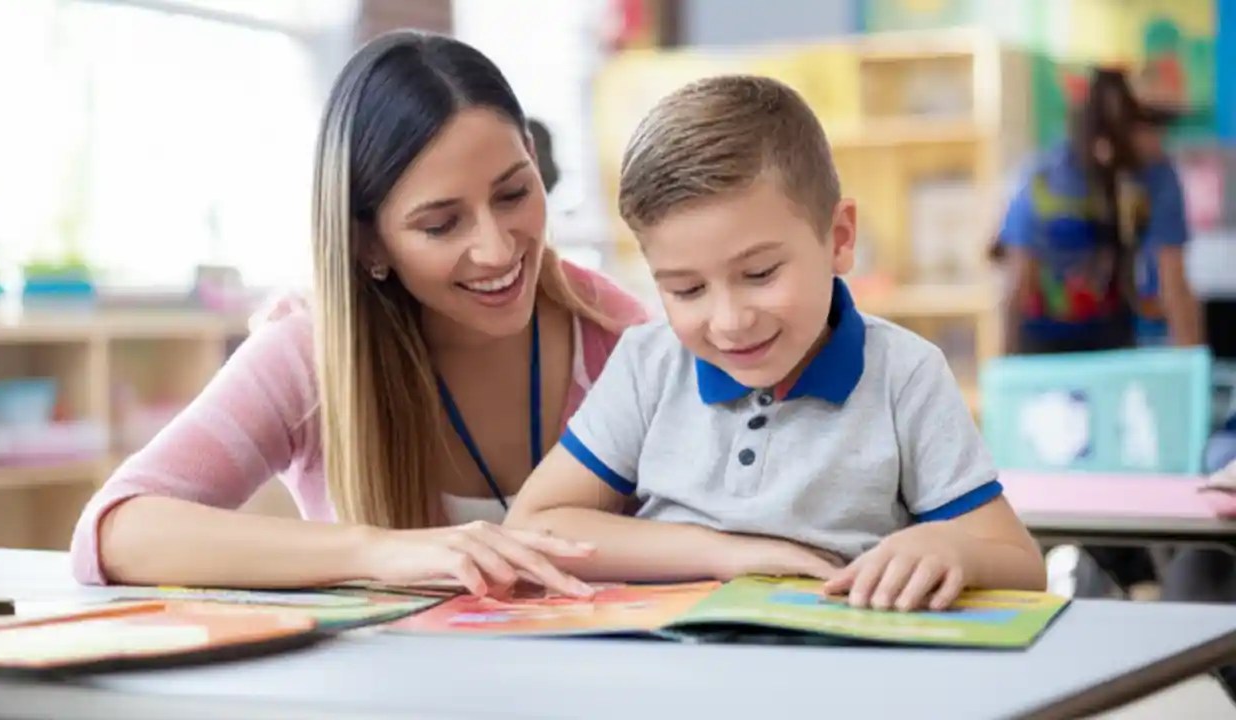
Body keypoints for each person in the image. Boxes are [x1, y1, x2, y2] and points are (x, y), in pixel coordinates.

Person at [69, 31, 647, 598]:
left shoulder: (621, 337)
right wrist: (378, 552)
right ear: (367, 243)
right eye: (441, 225)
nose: (497, 249)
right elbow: (115, 530)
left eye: (514, 193)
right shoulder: (309, 356)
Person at [505, 75, 1045, 610]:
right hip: (669, 671)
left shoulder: (903, 374)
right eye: (687, 289)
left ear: (839, 239)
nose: (730, 320)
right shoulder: (649, 364)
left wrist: (950, 545)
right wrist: (722, 553)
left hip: (834, 670)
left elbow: (1021, 564)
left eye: (760, 274)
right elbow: (535, 526)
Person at [995, 68, 1204, 598]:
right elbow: (1175, 287)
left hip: (1084, 350)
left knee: (1080, 480)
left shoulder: (1046, 174)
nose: (1156, 142)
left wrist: (1186, 380)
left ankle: (1119, 577)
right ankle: (1123, 579)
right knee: (1109, 478)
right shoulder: (1063, 177)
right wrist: (1188, 387)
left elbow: (1013, 290)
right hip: (1073, 352)